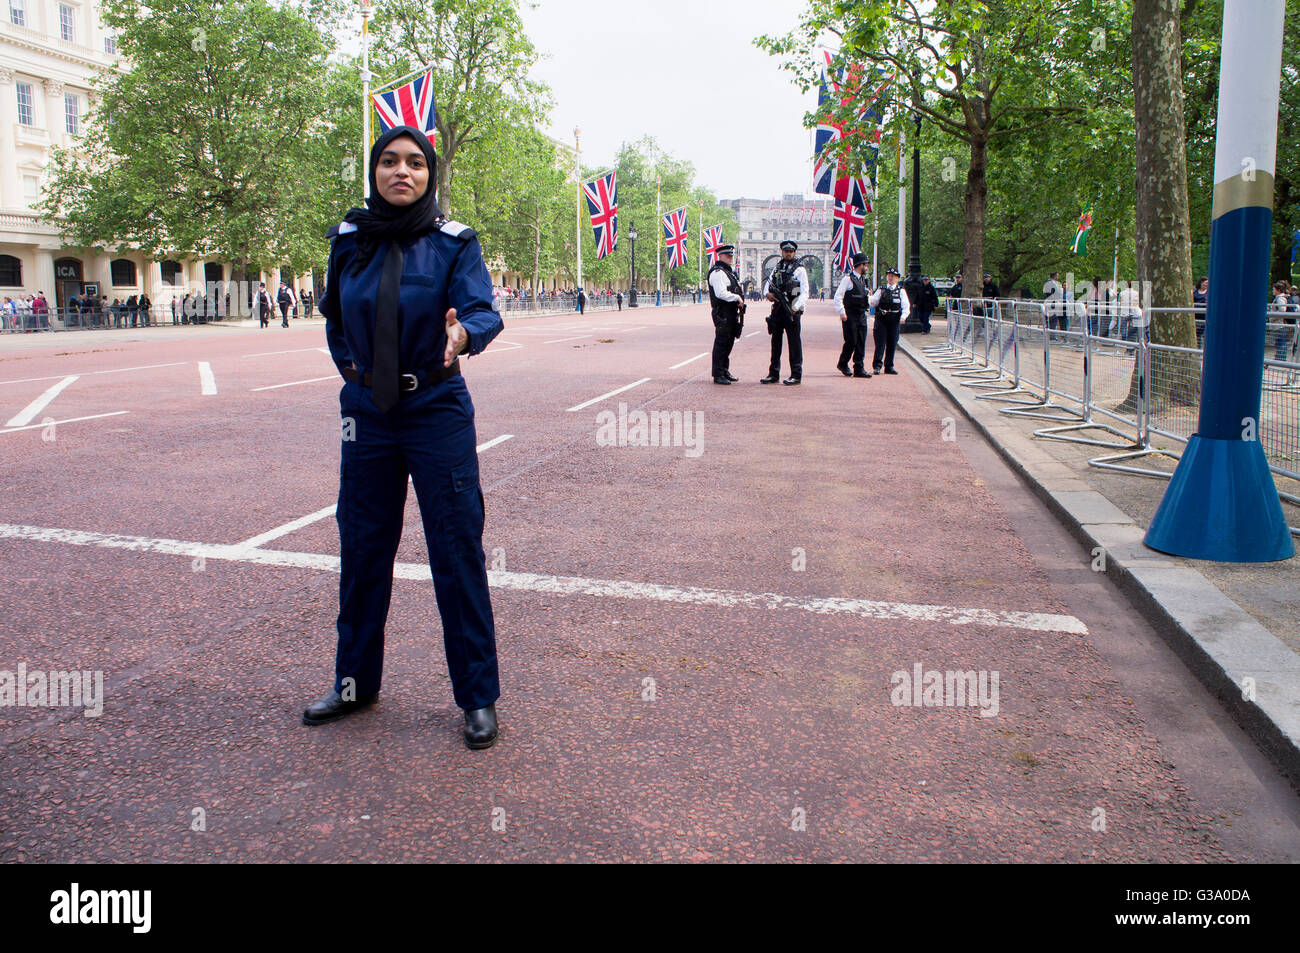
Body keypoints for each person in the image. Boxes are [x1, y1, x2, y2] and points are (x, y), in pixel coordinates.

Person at [307, 124, 504, 751]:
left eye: (415, 163)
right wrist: (353, 372)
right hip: (365, 412)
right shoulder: (348, 241)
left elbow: (482, 309)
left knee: (455, 548)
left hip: (436, 406)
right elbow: (334, 317)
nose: (402, 172)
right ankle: (354, 683)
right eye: (389, 161)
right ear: (374, 172)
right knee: (362, 547)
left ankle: (477, 697)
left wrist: (464, 335)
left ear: (430, 174)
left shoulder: (453, 244)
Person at [760, 240, 808, 385]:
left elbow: (805, 292)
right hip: (778, 309)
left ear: (794, 253)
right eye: (786, 251)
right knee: (775, 343)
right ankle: (773, 374)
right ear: (782, 252)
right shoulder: (777, 267)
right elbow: (767, 285)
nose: (788, 253)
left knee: (794, 343)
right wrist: (767, 294)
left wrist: (796, 306)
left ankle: (796, 375)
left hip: (792, 310)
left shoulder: (800, 270)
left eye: (791, 251)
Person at [706, 244, 745, 384]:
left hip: (731, 312)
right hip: (722, 312)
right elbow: (720, 293)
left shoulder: (728, 272)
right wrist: (736, 298)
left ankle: (724, 369)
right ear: (720, 256)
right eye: (728, 256)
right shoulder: (718, 273)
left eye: (731, 256)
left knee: (729, 342)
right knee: (721, 343)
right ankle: (718, 373)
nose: (730, 258)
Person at [833, 253, 872, 378]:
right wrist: (842, 312)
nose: (867, 267)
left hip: (861, 314)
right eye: (866, 264)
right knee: (851, 341)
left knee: (861, 341)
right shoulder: (848, 280)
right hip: (850, 315)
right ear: (860, 265)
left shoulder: (864, 280)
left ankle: (859, 368)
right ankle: (843, 363)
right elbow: (838, 296)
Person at [870, 267, 911, 375]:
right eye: (889, 276)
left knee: (892, 343)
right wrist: (868, 297)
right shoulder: (881, 289)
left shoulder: (901, 291)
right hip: (882, 319)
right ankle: (877, 366)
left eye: (893, 276)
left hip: (894, 319)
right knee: (880, 344)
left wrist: (904, 316)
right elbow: (873, 302)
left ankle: (889, 366)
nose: (890, 278)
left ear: (897, 278)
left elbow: (906, 306)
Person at [1043, 271, 1066, 337]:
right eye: (1057, 275)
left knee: (1050, 320)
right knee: (1053, 320)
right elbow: (1054, 294)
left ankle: (1050, 335)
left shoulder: (1048, 283)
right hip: (1053, 303)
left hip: (1050, 303)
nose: (1058, 277)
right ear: (1055, 276)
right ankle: (1052, 336)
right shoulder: (1051, 283)